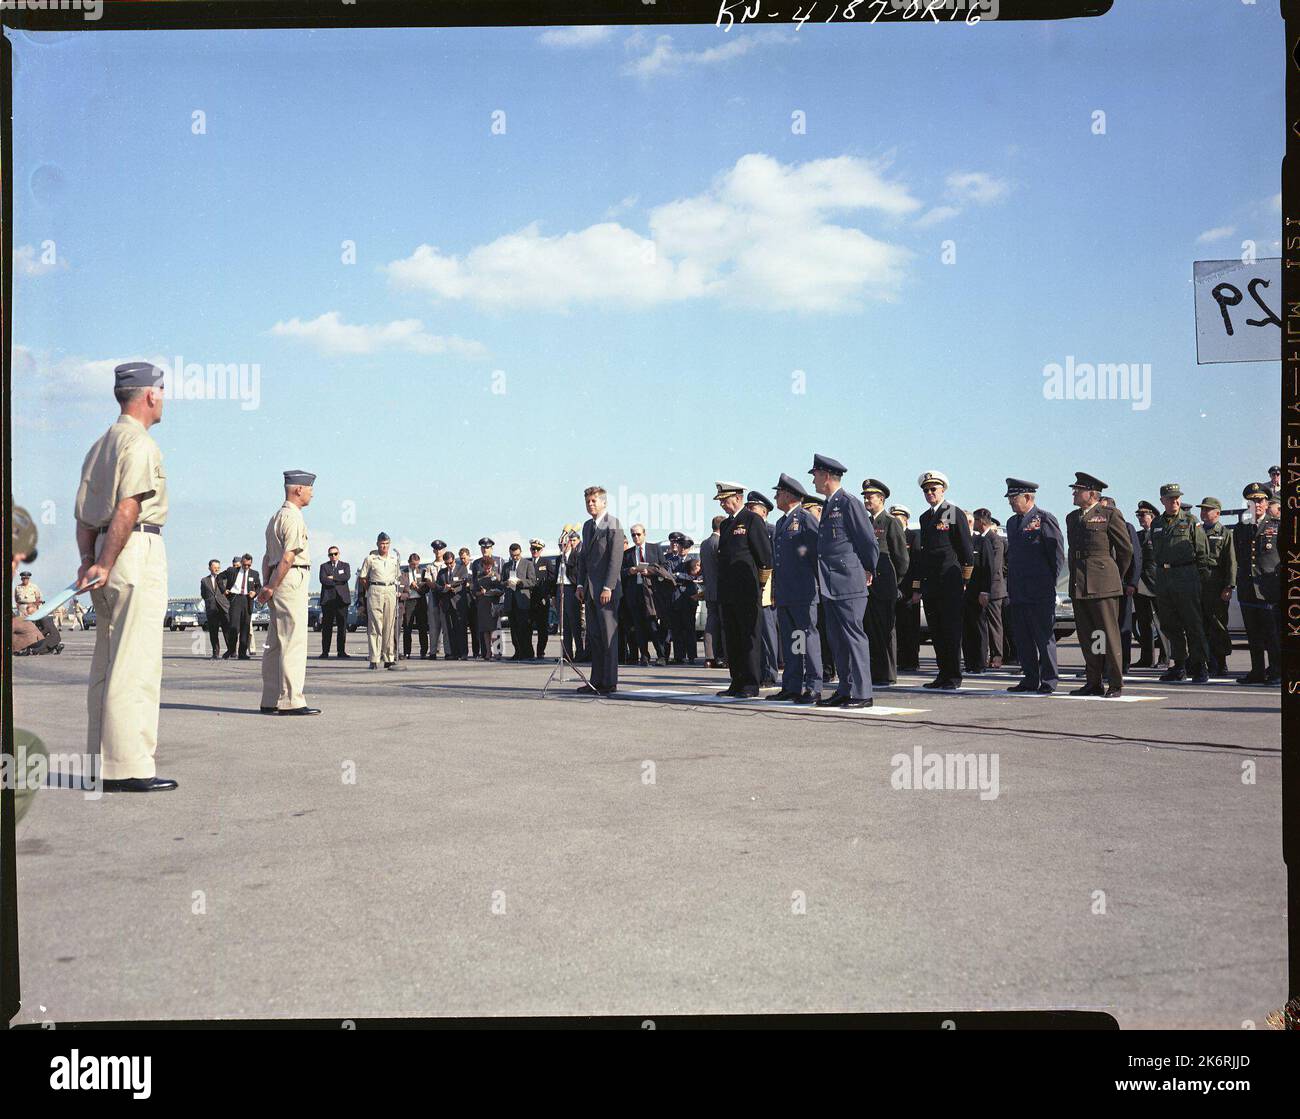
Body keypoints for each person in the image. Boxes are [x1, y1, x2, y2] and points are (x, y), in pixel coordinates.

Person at [73, 362, 176, 792]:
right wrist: (109, 559)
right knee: (136, 661)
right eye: (162, 391)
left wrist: (89, 559)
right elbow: (129, 507)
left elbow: (82, 514)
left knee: (108, 660)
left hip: (104, 551)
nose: (164, 399)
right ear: (149, 395)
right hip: (133, 550)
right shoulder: (140, 444)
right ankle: (129, 766)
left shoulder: (99, 446)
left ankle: (102, 762)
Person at [808, 456, 877, 708]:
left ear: (826, 475)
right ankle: (845, 689)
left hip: (848, 581)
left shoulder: (849, 503)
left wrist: (869, 568)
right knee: (837, 639)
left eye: (814, 474)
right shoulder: (829, 504)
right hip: (830, 583)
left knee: (853, 637)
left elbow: (868, 541)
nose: (812, 479)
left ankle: (862, 692)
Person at [255, 470, 320, 714]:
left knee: (275, 642)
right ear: (298, 489)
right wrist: (272, 585)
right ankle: (292, 700)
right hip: (290, 578)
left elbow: (266, 558)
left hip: (276, 578)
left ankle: (270, 698)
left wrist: (268, 585)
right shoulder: (293, 518)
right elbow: (289, 556)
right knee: (293, 640)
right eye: (310, 488)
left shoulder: (275, 518)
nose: (312, 493)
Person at [1065, 471, 1132, 697]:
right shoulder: (1072, 518)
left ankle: (1115, 683)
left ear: (1091, 494)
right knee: (1090, 636)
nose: (1074, 493)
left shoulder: (1109, 514)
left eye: (1078, 490)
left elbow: (1125, 550)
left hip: (1103, 582)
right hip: (1080, 584)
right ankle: (1093, 681)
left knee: (1108, 635)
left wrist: (1114, 576)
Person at [912, 471, 973, 690]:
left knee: (951, 630)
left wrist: (964, 580)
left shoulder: (951, 512)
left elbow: (966, 549)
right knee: (936, 630)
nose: (929, 493)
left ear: (943, 490)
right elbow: (924, 553)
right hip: (932, 582)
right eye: (926, 490)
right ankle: (942, 673)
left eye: (933, 489)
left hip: (949, 580)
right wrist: (919, 585)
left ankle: (953, 676)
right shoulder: (925, 518)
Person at [1004, 479, 1065, 694]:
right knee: (1023, 638)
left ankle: (1049, 680)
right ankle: (1030, 678)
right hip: (1019, 590)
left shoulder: (1044, 519)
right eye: (1010, 499)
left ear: (1028, 497)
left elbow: (1056, 555)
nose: (1011, 503)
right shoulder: (1012, 523)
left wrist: (1048, 582)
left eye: (1014, 498)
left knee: (1043, 636)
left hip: (1040, 590)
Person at [713, 482, 773, 698]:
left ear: (738, 498)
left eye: (724, 499)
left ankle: (750, 683)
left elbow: (764, 557)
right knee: (733, 638)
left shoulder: (751, 520)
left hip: (747, 590)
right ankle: (736, 681)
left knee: (749, 637)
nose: (721, 504)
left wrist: (760, 584)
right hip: (728, 591)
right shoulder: (728, 525)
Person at [768, 473, 822, 703]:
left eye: (778, 493)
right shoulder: (782, 522)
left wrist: (816, 585)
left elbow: (815, 555)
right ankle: (791, 685)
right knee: (792, 641)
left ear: (789, 495)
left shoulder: (806, 518)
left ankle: (813, 686)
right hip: (785, 593)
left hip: (803, 591)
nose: (776, 497)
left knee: (807, 638)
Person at [1151, 483, 1212, 683]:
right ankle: (1179, 665)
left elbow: (1202, 552)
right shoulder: (1157, 523)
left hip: (1186, 575)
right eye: (1170, 498)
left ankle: (1200, 665)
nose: (1175, 501)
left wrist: (1200, 579)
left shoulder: (1191, 521)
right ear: (1162, 501)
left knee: (1192, 622)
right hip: (1164, 577)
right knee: (1170, 624)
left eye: (1177, 497)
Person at [576, 486, 626, 695]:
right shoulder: (587, 526)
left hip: (607, 590)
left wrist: (608, 586)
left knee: (608, 637)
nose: (590, 505)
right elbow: (583, 559)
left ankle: (609, 681)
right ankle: (596, 681)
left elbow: (615, 558)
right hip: (590, 590)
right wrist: (580, 584)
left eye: (594, 501)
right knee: (594, 637)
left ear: (604, 502)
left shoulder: (612, 524)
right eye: (588, 502)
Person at [860, 480, 908, 687]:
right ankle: (875, 672)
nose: (866, 500)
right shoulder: (865, 522)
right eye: (865, 497)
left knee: (886, 631)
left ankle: (887, 673)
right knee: (871, 630)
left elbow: (901, 558)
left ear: (881, 499)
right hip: (868, 587)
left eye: (870, 497)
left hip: (885, 584)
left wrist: (893, 582)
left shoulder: (890, 522)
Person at [1233, 483, 1280, 684]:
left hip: (1268, 588)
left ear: (1267, 502)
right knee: (1253, 633)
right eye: (1252, 501)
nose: (1256, 504)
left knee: (1273, 633)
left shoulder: (1277, 525)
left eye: (1260, 500)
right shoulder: (1241, 529)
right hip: (1248, 588)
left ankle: (1277, 672)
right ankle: (1257, 671)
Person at [1100, 496, 1142, 674]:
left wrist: (1132, 581)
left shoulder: (1126, 527)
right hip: (1102, 587)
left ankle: (1122, 663)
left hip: (1123, 585)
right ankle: (1100, 665)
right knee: (1101, 628)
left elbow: (1135, 556)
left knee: (1123, 627)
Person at [1195, 498, 1237, 677]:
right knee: (1202, 623)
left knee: (1218, 623)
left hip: (1216, 581)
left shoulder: (1225, 533)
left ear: (1217, 513)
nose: (1204, 513)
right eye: (1202, 509)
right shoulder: (1197, 531)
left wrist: (1229, 585)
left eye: (1208, 510)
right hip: (1199, 582)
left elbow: (1231, 561)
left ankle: (1221, 662)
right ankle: (1206, 662)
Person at [745, 491, 781, 687]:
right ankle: (756, 671)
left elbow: (773, 562)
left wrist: (774, 591)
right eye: (748, 507)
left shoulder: (771, 531)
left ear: (765, 512)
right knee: (754, 633)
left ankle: (769, 672)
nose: (749, 511)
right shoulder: (747, 528)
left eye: (753, 508)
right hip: (751, 588)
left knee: (767, 633)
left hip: (767, 587)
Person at [358, 533, 401, 669]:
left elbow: (398, 576)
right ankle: (374, 658)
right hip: (375, 589)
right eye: (382, 543)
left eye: (387, 543)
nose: (384, 546)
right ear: (377, 544)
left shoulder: (394, 560)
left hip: (390, 589)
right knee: (375, 625)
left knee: (389, 625)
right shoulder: (370, 559)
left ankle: (389, 657)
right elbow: (363, 578)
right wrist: (370, 589)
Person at [1132, 501, 1165, 669]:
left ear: (1152, 516)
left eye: (1143, 515)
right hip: (1140, 584)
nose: (1140, 519)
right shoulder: (1137, 536)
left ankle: (1165, 657)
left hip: (1157, 583)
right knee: (1144, 622)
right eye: (1138, 516)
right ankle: (1146, 658)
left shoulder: (1160, 534)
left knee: (1162, 622)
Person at [890, 505, 922, 672]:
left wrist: (917, 589)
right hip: (893, 588)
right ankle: (899, 659)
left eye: (899, 518)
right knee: (897, 626)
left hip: (909, 589)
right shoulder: (891, 536)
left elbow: (917, 564)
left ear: (906, 519)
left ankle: (911, 660)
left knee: (910, 626)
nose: (895, 521)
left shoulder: (913, 537)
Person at [471, 538, 506, 660]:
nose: (485, 549)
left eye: (487, 547)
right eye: (483, 547)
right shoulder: (475, 563)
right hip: (482, 603)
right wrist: (478, 594)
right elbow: (474, 584)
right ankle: (486, 652)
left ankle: (498, 651)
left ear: (491, 548)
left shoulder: (499, 561)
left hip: (494, 602)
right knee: (484, 629)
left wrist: (491, 593)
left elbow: (502, 583)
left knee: (496, 628)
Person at [699, 515, 726, 668]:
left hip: (709, 589)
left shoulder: (704, 544)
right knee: (724, 624)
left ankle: (709, 657)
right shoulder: (720, 542)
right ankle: (723, 656)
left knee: (710, 623)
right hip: (722, 590)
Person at [502, 542, 538, 659]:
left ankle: (527, 652)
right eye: (513, 555)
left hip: (522, 600)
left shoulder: (528, 564)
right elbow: (502, 582)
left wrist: (520, 582)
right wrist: (506, 583)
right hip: (511, 601)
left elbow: (532, 581)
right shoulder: (506, 566)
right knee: (514, 629)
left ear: (520, 552)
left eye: (517, 555)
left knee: (524, 628)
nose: (515, 557)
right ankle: (517, 651)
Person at [435, 549, 470, 659]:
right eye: (446, 563)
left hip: (458, 603)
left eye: (451, 563)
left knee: (461, 629)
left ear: (454, 560)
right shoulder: (442, 572)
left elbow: (463, 583)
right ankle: (454, 653)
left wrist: (453, 588)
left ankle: (463, 653)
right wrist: (444, 588)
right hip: (447, 604)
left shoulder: (462, 568)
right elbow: (437, 587)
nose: (449, 565)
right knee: (451, 630)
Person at [559, 526, 587, 663]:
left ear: (570, 543)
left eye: (564, 544)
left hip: (571, 588)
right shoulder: (561, 557)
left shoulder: (576, 555)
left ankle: (580, 652)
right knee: (564, 625)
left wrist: (566, 559)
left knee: (574, 623)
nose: (562, 547)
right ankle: (566, 654)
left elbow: (577, 573)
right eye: (560, 545)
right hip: (561, 589)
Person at [318, 546, 352, 658]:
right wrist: (337, 579)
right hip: (328, 601)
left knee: (342, 627)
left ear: (339, 554)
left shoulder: (345, 566)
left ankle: (341, 651)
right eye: (331, 554)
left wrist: (332, 577)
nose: (333, 556)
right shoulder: (324, 566)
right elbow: (323, 580)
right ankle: (325, 652)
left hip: (342, 601)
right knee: (327, 627)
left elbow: (346, 577)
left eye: (335, 554)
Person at [225, 553, 261, 659]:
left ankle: (242, 653)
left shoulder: (255, 574)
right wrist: (224, 590)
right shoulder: (233, 571)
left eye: (249, 565)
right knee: (234, 627)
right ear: (241, 563)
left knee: (245, 628)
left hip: (247, 600)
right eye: (245, 565)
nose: (246, 567)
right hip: (236, 599)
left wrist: (255, 592)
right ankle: (231, 650)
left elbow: (259, 586)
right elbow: (220, 578)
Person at [528, 539, 556, 660]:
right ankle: (529, 652)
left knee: (542, 627)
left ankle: (540, 651)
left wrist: (548, 594)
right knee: (528, 627)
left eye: (537, 549)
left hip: (542, 599)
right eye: (533, 549)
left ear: (541, 550)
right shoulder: (527, 563)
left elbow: (552, 579)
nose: (535, 551)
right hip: (529, 598)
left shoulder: (546, 562)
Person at [399, 552, 430, 659]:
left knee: (422, 626)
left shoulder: (422, 572)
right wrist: (409, 587)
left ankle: (424, 651)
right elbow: (402, 586)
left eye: (416, 564)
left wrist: (417, 588)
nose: (415, 566)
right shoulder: (403, 573)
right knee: (407, 627)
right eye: (413, 564)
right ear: (409, 563)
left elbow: (426, 588)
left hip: (420, 601)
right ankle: (407, 651)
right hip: (409, 601)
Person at [200, 559, 232, 658]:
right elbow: (203, 594)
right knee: (213, 632)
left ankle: (231, 651)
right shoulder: (204, 580)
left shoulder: (225, 579)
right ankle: (215, 652)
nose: (217, 569)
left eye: (218, 568)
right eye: (214, 568)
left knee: (227, 631)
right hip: (212, 609)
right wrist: (210, 602)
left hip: (224, 608)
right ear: (210, 568)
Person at [425, 539, 448, 659]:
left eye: (440, 549)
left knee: (446, 625)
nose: (438, 551)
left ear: (444, 550)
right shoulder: (430, 566)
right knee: (433, 626)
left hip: (445, 596)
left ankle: (447, 651)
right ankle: (433, 651)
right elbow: (428, 581)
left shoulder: (447, 565)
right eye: (436, 549)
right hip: (434, 595)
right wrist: (438, 587)